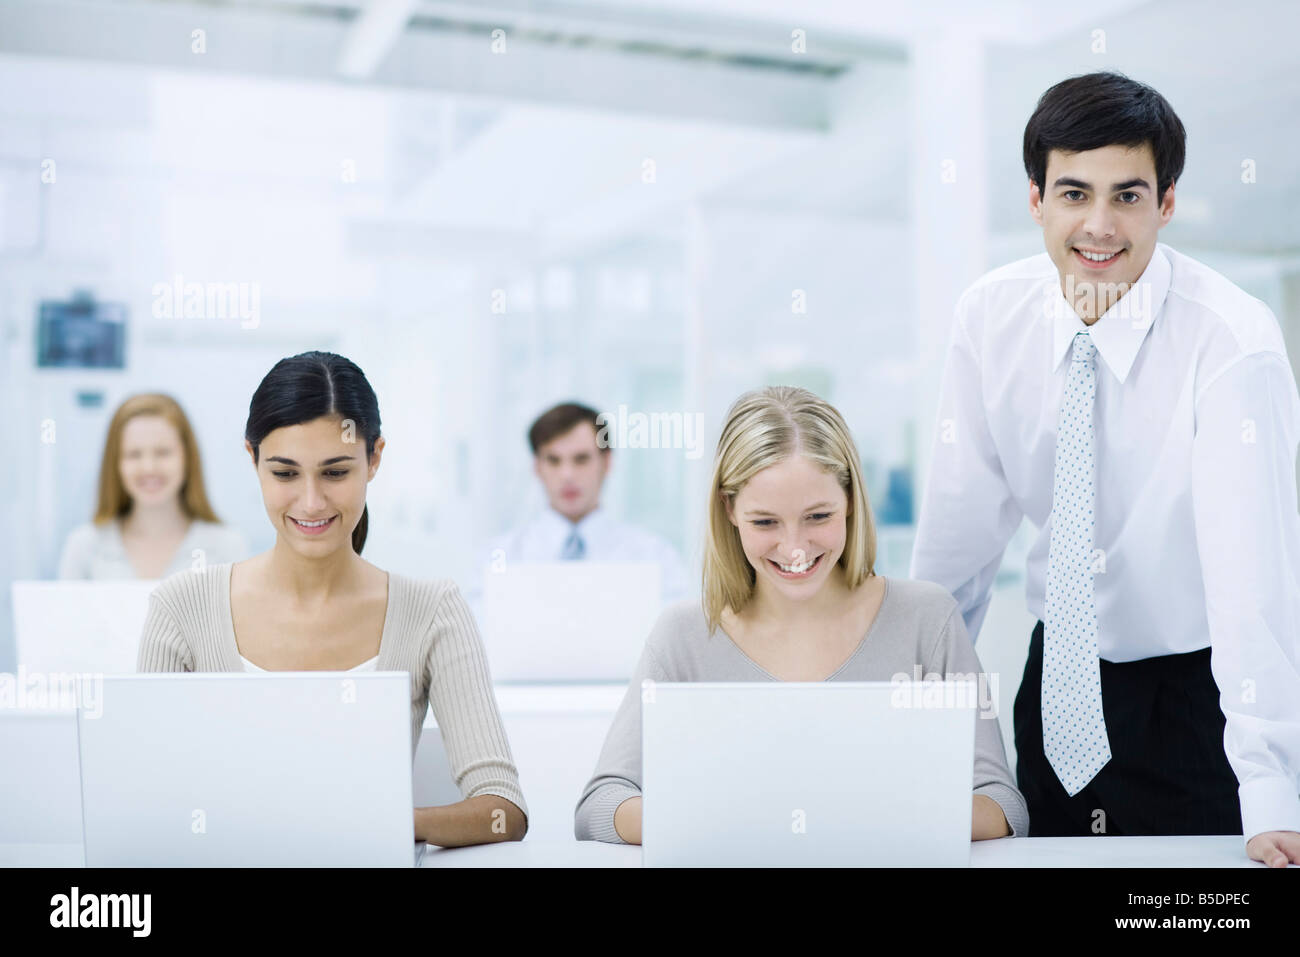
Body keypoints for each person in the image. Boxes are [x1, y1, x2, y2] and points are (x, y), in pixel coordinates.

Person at [909, 71, 1300, 867]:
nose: (1098, 225)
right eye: (1074, 192)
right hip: (1058, 690)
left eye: (1127, 195)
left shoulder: (1232, 340)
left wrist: (1272, 788)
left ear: (1166, 203)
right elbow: (957, 545)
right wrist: (907, 729)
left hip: (1200, 702)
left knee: (1190, 920)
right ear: (1035, 200)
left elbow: (1254, 586)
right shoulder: (990, 318)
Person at [575, 386, 1027, 845]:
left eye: (817, 517)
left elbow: (1002, 805)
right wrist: (727, 821)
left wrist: (848, 817)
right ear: (729, 510)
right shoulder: (684, 635)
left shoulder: (927, 620)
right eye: (765, 522)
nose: (794, 548)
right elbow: (600, 805)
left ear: (850, 500)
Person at [136, 351, 527, 848]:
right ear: (252, 460)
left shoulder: (432, 611)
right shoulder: (182, 608)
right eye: (285, 474)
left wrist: (376, 822)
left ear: (374, 459)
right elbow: (145, 797)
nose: (312, 501)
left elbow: (503, 810)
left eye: (336, 472)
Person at [480, 401, 690, 603]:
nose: (567, 475)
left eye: (581, 459)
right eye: (553, 460)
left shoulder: (656, 558)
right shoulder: (498, 560)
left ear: (606, 462)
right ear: (537, 467)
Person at [58, 393, 247, 579]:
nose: (149, 467)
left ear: (187, 458)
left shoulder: (226, 547)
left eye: (163, 452)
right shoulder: (84, 547)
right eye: (134, 454)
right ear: (115, 463)